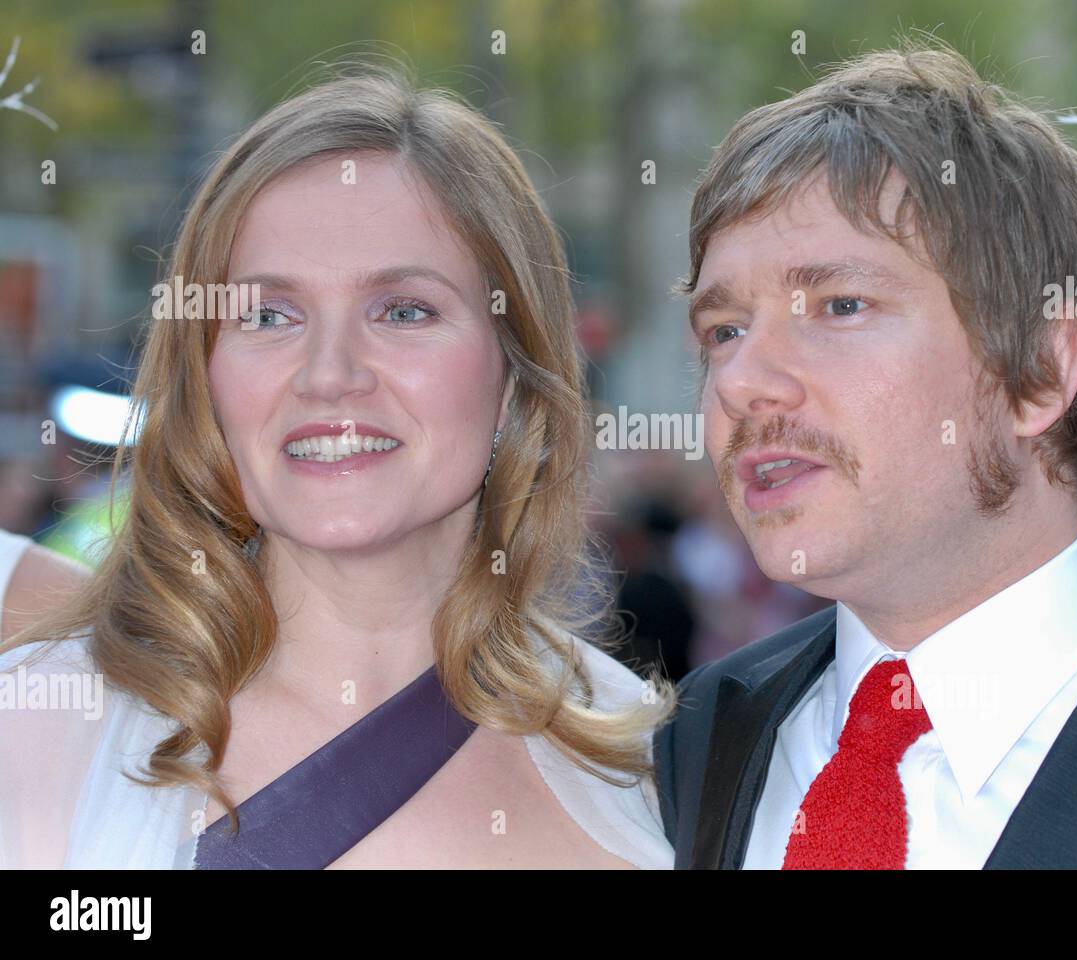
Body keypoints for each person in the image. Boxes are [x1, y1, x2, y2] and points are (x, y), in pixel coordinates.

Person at [0, 66, 674, 869]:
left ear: (514, 374)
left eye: (403, 311)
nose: (329, 373)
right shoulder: (40, 723)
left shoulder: (647, 768)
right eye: (269, 314)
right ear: (205, 378)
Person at [653, 41, 1077, 869]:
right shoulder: (684, 747)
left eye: (841, 305)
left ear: (1042, 368)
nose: (742, 382)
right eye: (724, 331)